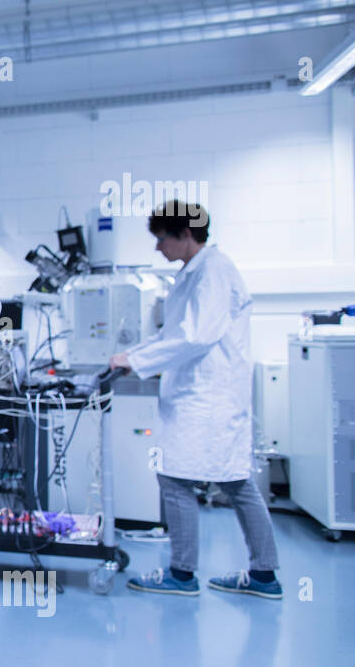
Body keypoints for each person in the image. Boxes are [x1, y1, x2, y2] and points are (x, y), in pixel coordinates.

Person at [109, 202, 282, 600]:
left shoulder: (213, 272)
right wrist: (133, 356)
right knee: (236, 483)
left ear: (186, 234)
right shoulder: (196, 273)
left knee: (177, 478)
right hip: (202, 397)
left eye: (161, 238)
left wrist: (135, 360)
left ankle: (182, 574)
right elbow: (174, 332)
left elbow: (194, 336)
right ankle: (264, 576)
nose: (158, 248)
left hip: (208, 399)